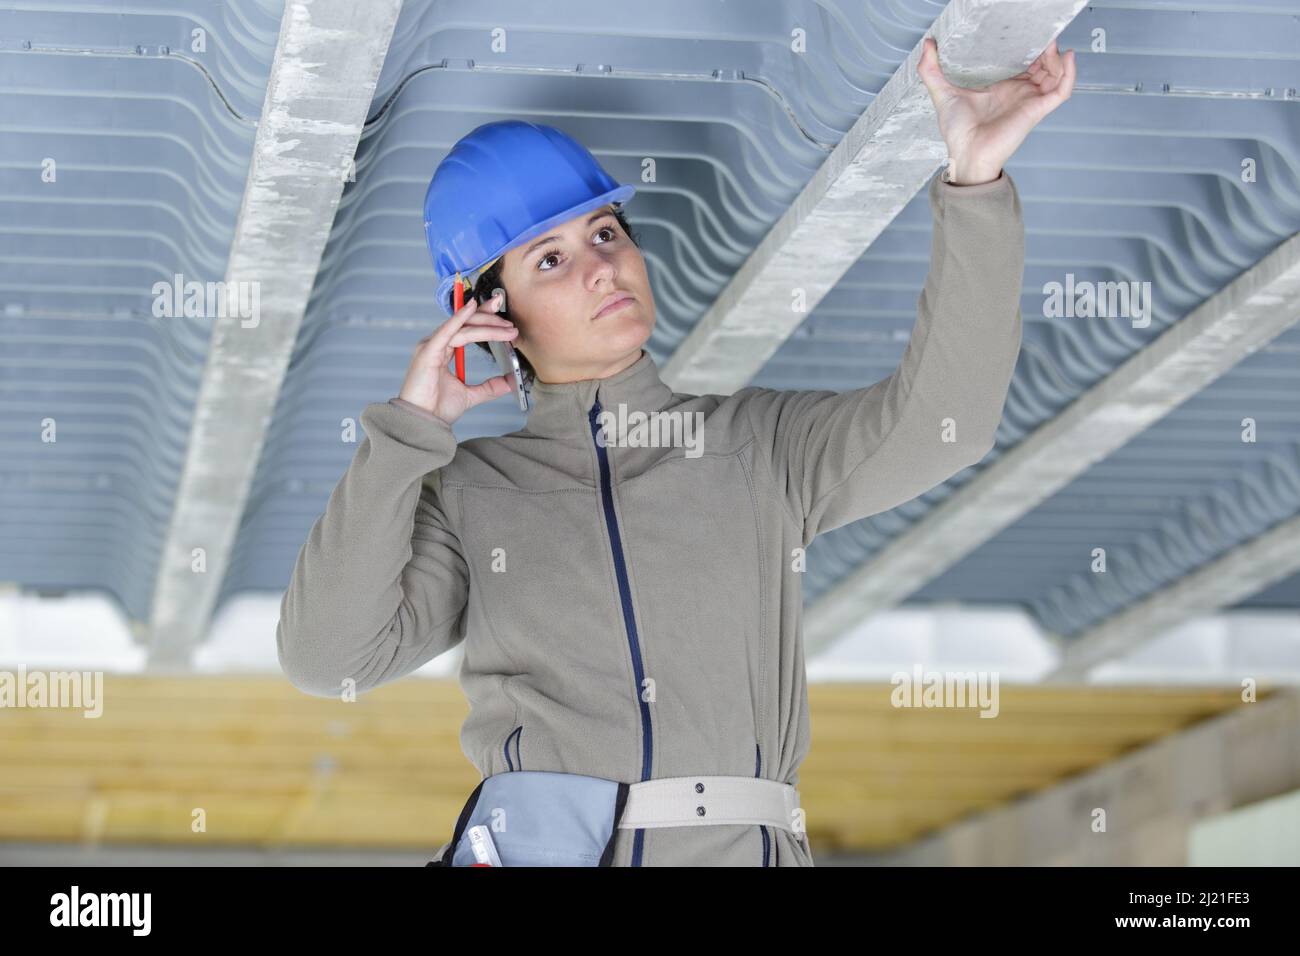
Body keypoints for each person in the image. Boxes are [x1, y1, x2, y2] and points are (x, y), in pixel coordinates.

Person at [277, 37, 1076, 866]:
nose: (600, 268)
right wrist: (409, 436)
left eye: (605, 232)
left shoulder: (756, 450)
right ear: (489, 316)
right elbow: (325, 657)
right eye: (550, 258)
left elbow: (947, 423)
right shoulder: (470, 494)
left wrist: (975, 182)